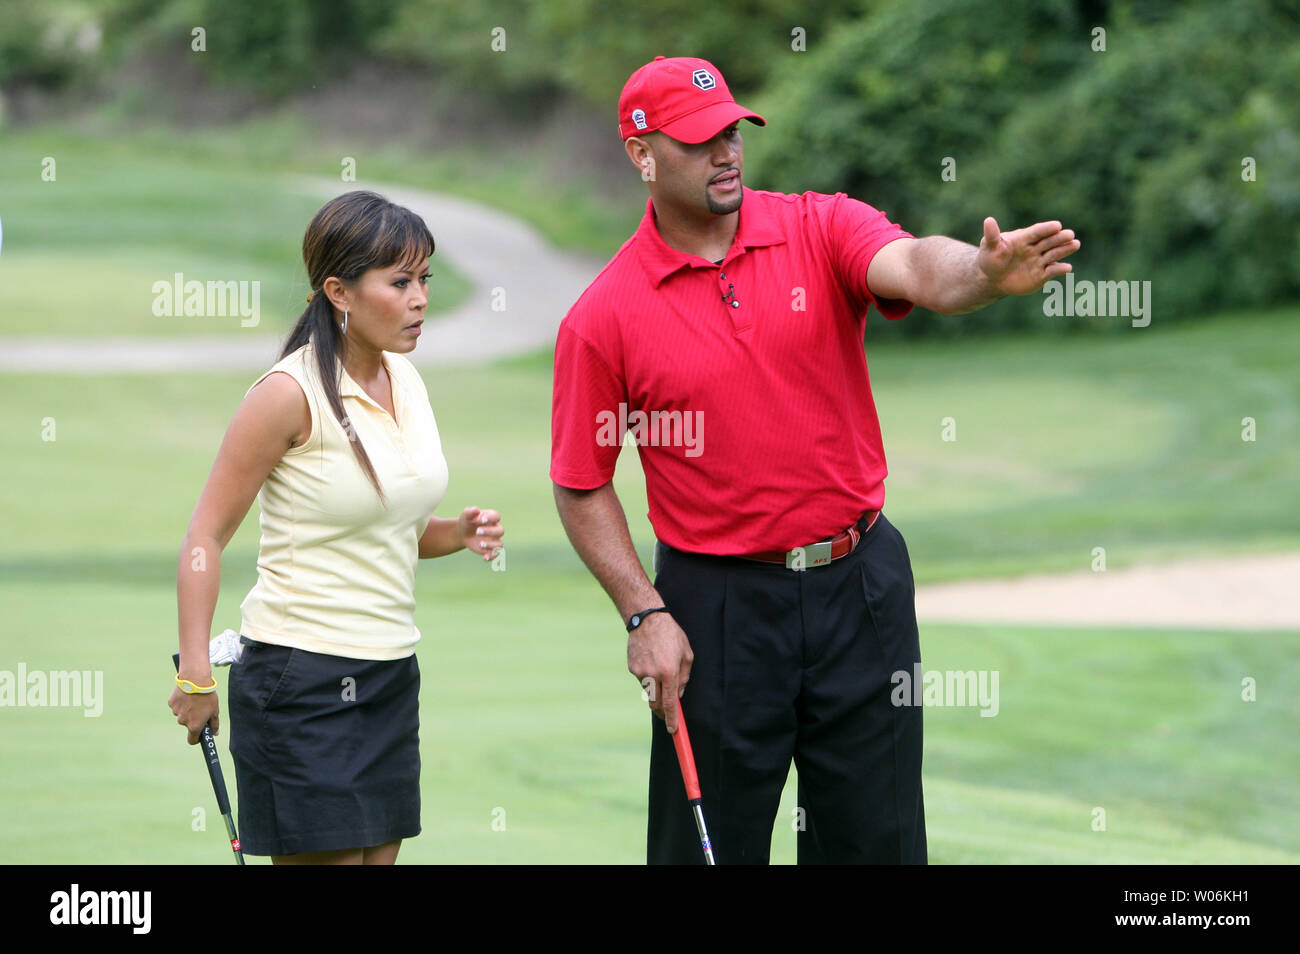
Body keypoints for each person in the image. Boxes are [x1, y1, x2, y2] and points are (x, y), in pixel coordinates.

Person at [550, 56, 1079, 864]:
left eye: (731, 130)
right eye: (699, 140)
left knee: (877, 844)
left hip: (860, 584)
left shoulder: (818, 224)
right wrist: (642, 612)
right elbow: (582, 484)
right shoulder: (605, 315)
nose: (726, 151)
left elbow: (913, 265)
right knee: (708, 851)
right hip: (715, 610)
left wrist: (979, 272)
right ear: (642, 155)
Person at [168, 190, 504, 865]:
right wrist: (197, 673)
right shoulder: (285, 395)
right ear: (339, 292)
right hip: (301, 680)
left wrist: (455, 533)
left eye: (426, 279)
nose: (420, 299)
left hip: (388, 675)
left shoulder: (406, 381)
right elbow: (204, 539)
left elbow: (395, 533)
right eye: (401, 281)